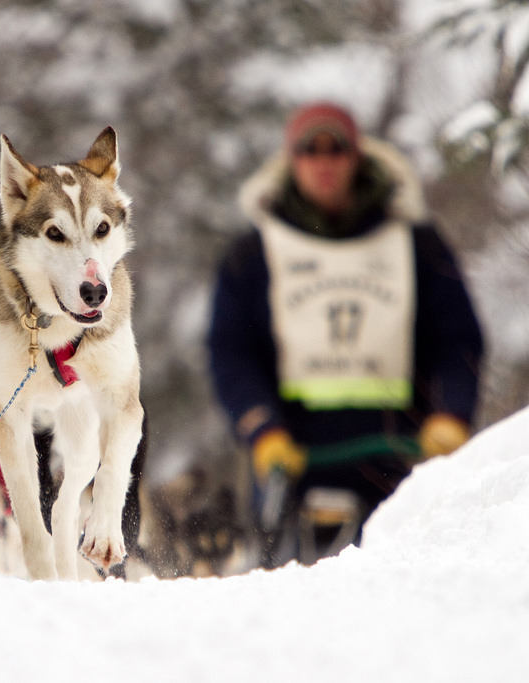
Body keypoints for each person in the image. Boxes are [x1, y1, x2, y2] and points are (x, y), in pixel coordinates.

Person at [207, 102, 484, 566]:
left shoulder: (417, 243)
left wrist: (451, 413)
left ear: (357, 155)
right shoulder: (251, 254)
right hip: (290, 466)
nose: (323, 162)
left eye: (335, 149)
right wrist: (261, 427)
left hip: (400, 460)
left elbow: (458, 339)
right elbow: (230, 352)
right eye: (309, 150)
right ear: (291, 159)